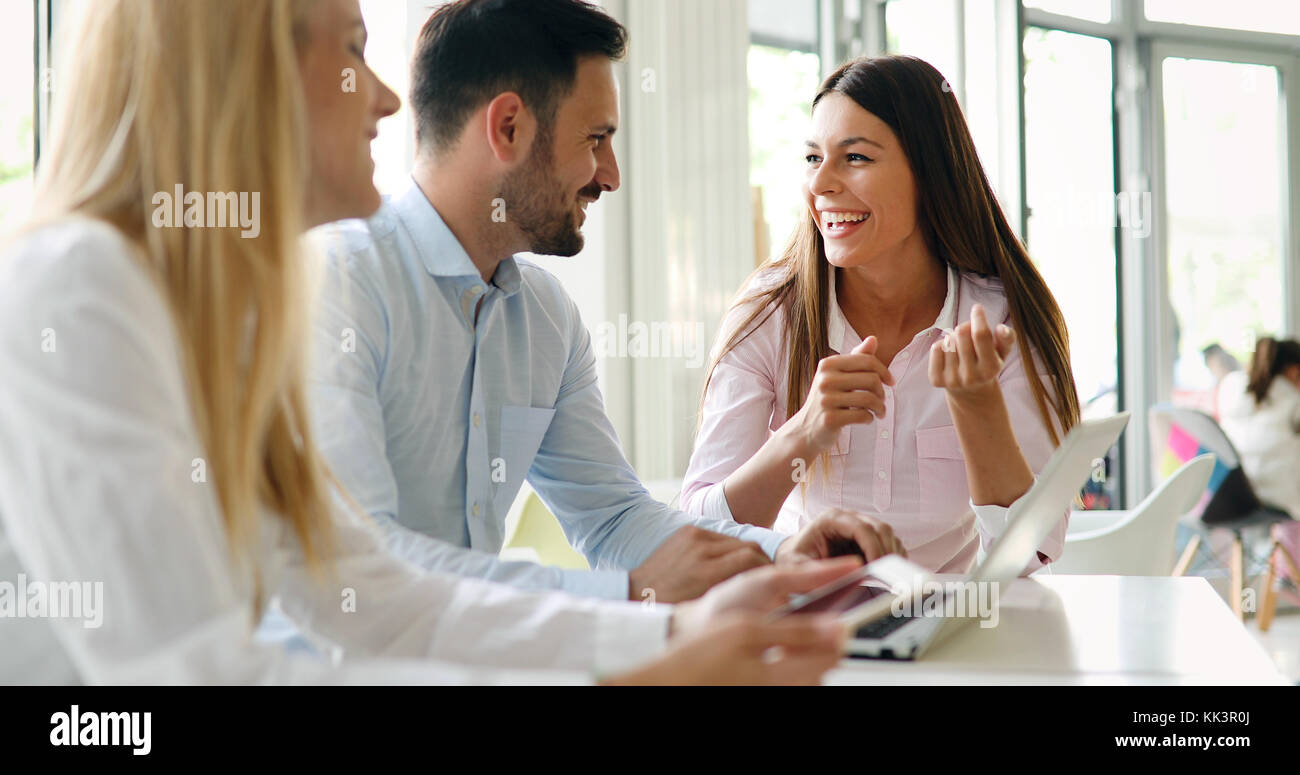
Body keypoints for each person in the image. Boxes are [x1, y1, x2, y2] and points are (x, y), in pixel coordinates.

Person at [0, 0, 857, 685]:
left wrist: (676, 628)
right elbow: (197, 674)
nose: (384, 96)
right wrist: (633, 662)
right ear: (249, 74)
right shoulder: (83, 290)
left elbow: (373, 596)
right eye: (352, 48)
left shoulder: (228, 323)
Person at [309, 0, 902, 607]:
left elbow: (615, 520)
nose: (611, 175)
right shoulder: (337, 284)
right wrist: (629, 592)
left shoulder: (544, 319)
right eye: (596, 139)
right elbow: (363, 563)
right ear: (508, 127)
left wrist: (779, 551)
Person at [681, 55, 1082, 574]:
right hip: (805, 624)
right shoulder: (770, 315)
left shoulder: (1002, 321)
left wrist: (978, 408)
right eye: (812, 158)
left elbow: (1032, 555)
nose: (820, 183)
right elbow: (696, 535)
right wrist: (803, 433)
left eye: (855, 158)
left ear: (928, 172)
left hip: (951, 635)